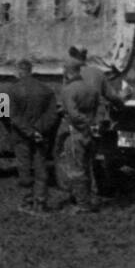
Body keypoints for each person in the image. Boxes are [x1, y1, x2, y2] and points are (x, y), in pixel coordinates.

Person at [2, 59, 60, 213]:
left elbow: (11, 116)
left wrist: (29, 131)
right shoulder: (46, 90)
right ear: (31, 70)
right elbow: (52, 115)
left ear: (19, 71)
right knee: (41, 169)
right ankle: (41, 202)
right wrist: (39, 130)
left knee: (25, 169)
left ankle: (27, 202)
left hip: (21, 137)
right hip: (41, 136)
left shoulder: (11, 90)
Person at [58, 58, 100, 213]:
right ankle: (91, 198)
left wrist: (82, 124)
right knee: (88, 167)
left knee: (76, 169)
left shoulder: (68, 90)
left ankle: (82, 204)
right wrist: (90, 124)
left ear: (67, 71)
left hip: (75, 132)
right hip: (89, 133)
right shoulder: (91, 89)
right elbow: (97, 110)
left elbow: (73, 114)